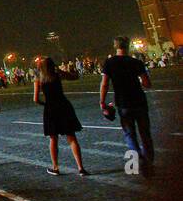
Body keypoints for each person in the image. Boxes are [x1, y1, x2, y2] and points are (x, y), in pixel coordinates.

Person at [100, 37, 154, 174]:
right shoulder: (136, 62)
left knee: (129, 134)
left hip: (123, 103)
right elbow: (147, 84)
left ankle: (136, 161)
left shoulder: (110, 62)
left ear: (115, 46)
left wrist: (102, 101)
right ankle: (149, 161)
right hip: (139, 101)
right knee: (145, 133)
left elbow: (105, 84)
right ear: (128, 46)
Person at [34, 57, 87, 175]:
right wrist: (64, 69)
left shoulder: (39, 79)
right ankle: (80, 168)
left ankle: (56, 167)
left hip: (50, 108)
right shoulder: (57, 74)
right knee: (71, 137)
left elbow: (36, 99)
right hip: (64, 105)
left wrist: (46, 104)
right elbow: (74, 76)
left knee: (53, 138)